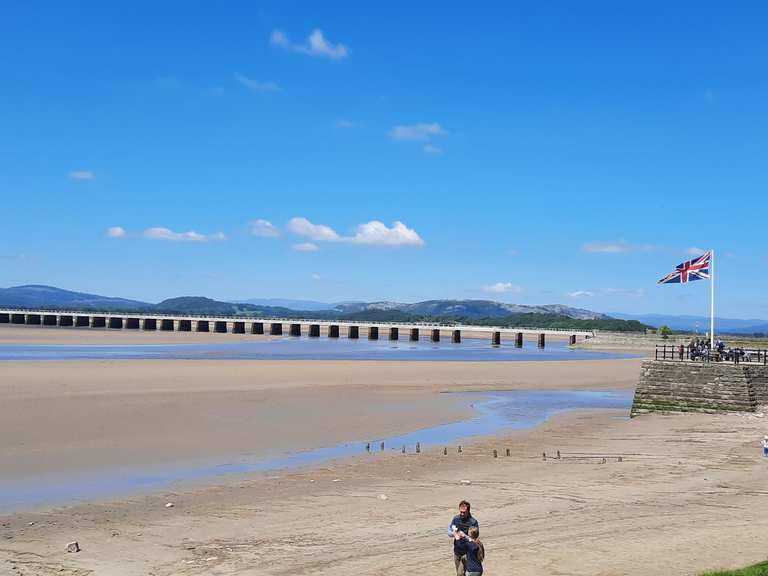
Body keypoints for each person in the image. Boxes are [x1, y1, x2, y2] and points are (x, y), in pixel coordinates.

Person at [448, 500, 479, 576]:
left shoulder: (473, 522)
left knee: (460, 573)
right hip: (457, 551)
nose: (462, 514)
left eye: (464, 512)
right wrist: (453, 534)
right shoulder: (456, 519)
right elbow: (449, 530)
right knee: (459, 572)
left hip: (467, 553)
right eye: (460, 512)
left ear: (468, 511)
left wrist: (464, 536)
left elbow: (474, 538)